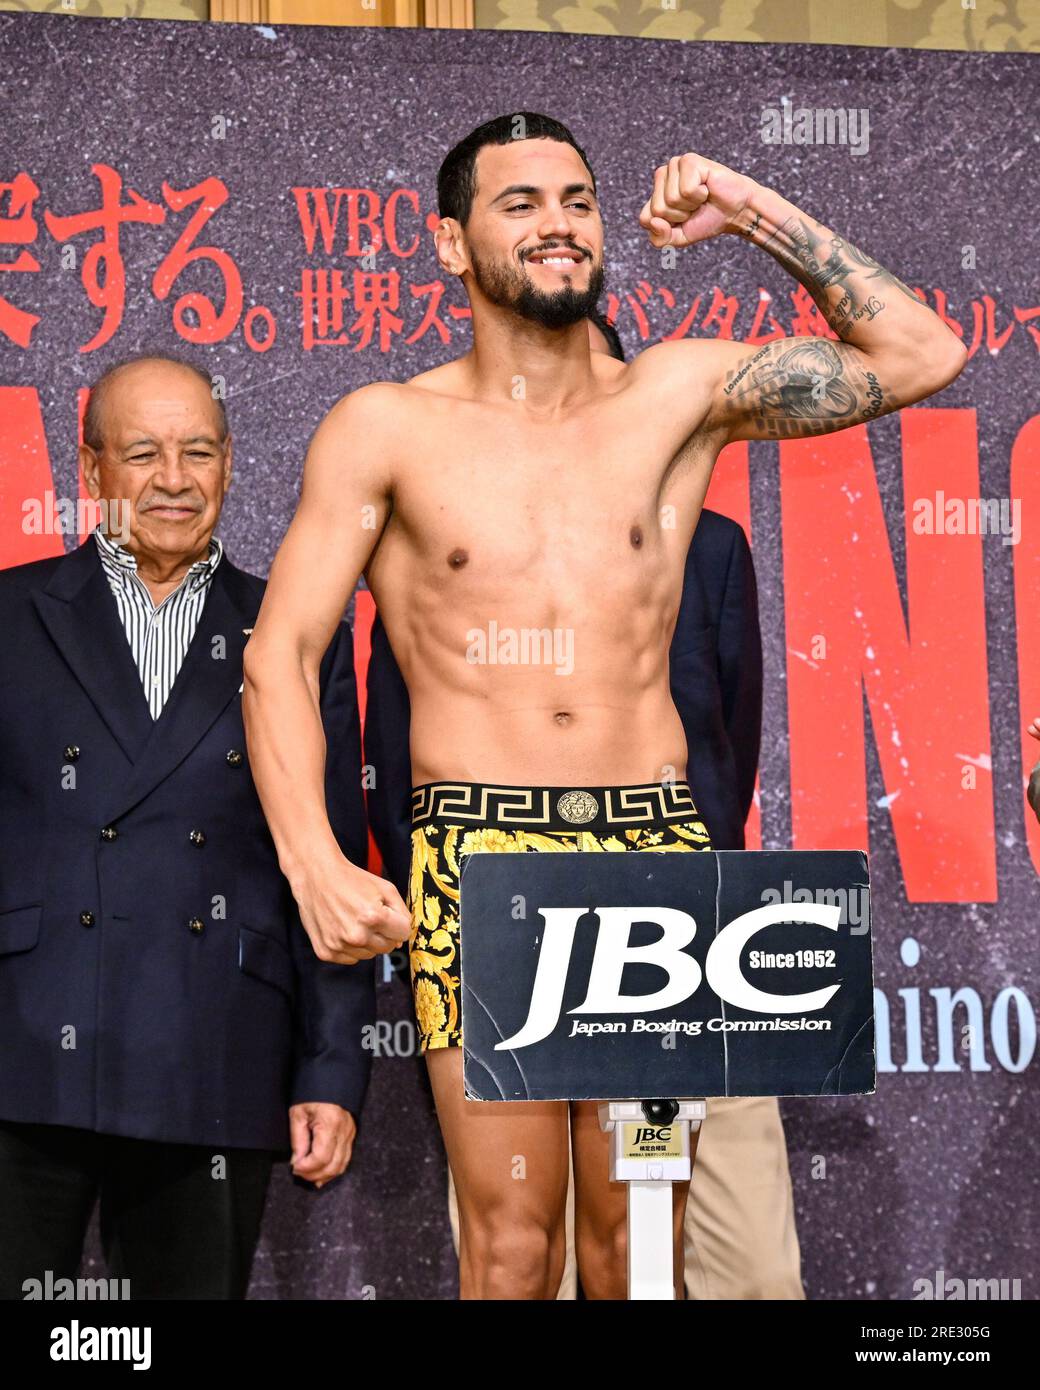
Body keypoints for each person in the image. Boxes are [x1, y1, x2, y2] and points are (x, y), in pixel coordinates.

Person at [242, 112, 967, 1299]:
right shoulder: (386, 426)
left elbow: (920, 353)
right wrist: (316, 864)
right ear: (446, 243)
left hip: (653, 862)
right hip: (485, 856)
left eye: (576, 199)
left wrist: (747, 209)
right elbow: (281, 658)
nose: (557, 223)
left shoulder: (675, 393)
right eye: (518, 203)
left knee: (634, 1250)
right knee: (511, 1250)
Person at [364, 308, 803, 1299]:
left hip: (668, 932)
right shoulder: (444, 540)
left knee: (666, 1252)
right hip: (495, 921)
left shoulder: (708, 543)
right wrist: (446, 913)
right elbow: (401, 757)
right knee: (520, 1253)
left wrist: (697, 919)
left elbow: (724, 742)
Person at [0, 354, 374, 1300]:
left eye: (198, 451)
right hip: (23, 1055)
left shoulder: (291, 631)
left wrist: (331, 1069)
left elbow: (325, 862)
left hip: (213, 1048)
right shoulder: (7, 615)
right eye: (143, 453)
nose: (174, 478)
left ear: (231, 463)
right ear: (90, 473)